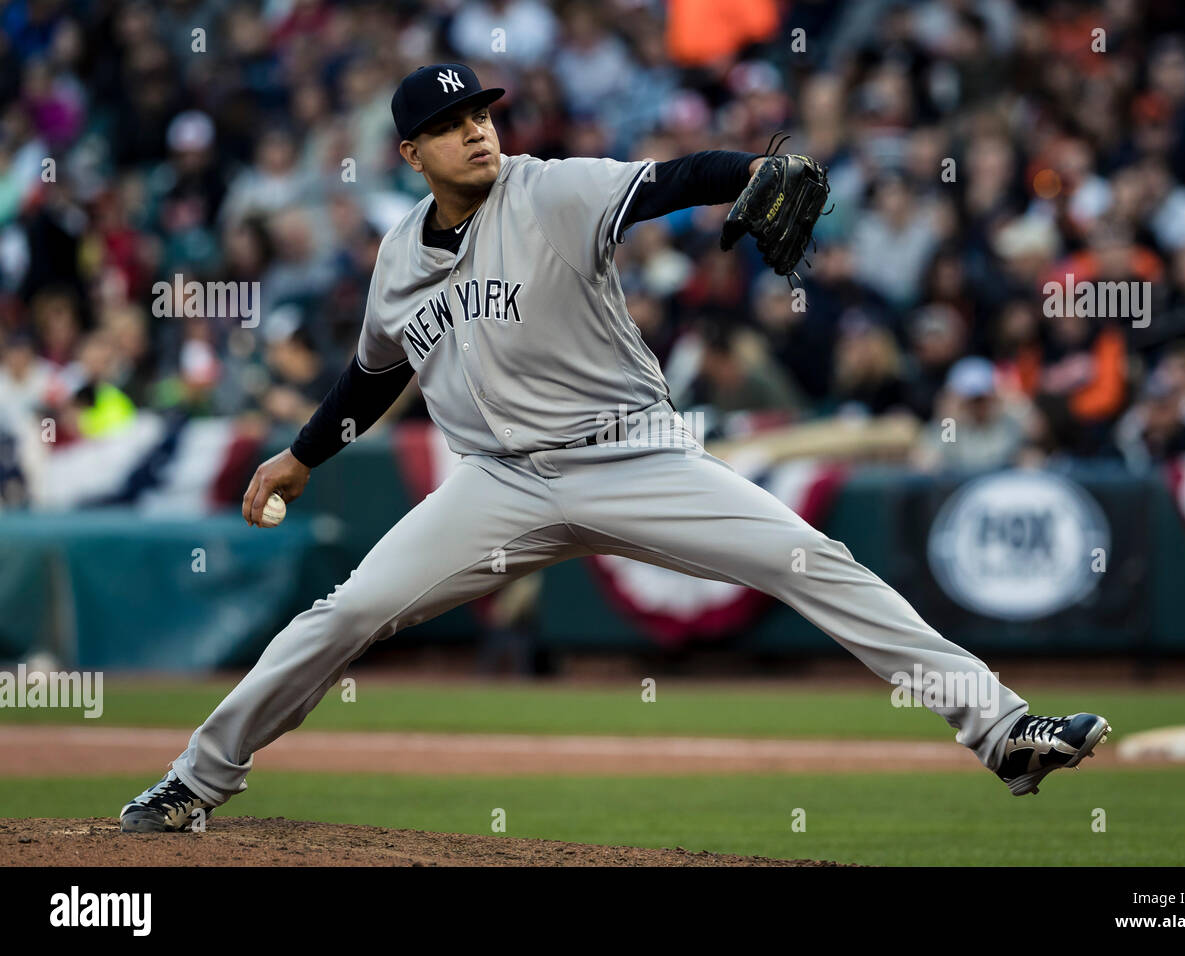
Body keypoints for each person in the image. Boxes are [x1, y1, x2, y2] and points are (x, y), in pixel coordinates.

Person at [120, 64, 1109, 833]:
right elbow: (376, 372)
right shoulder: (396, 260)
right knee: (347, 613)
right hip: (500, 486)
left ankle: (1002, 730)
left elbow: (667, 183)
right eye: (452, 125)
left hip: (635, 457)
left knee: (814, 558)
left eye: (484, 116)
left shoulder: (547, 191)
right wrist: (301, 455)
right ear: (410, 152)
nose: (477, 131)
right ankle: (193, 780)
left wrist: (750, 174)